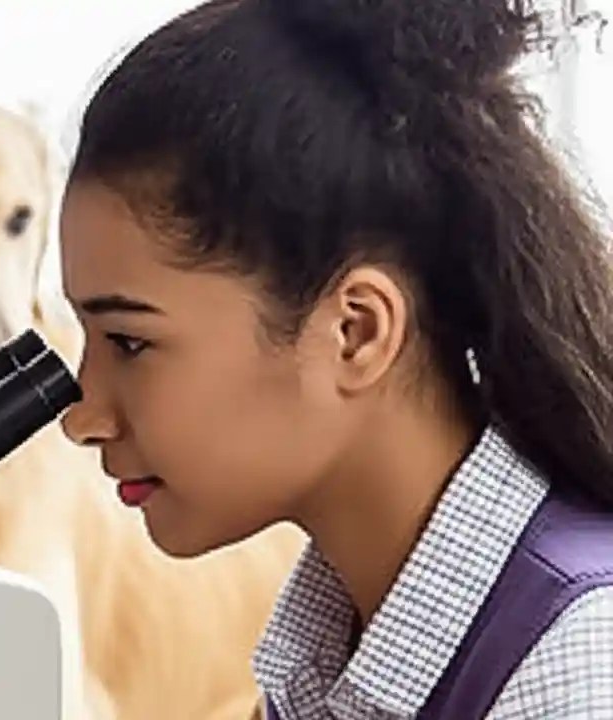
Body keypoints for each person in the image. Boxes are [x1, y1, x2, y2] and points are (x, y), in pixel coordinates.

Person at [56, 0, 613, 718]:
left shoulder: (579, 674)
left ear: (354, 331)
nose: (83, 416)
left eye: (129, 343)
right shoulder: (336, 653)